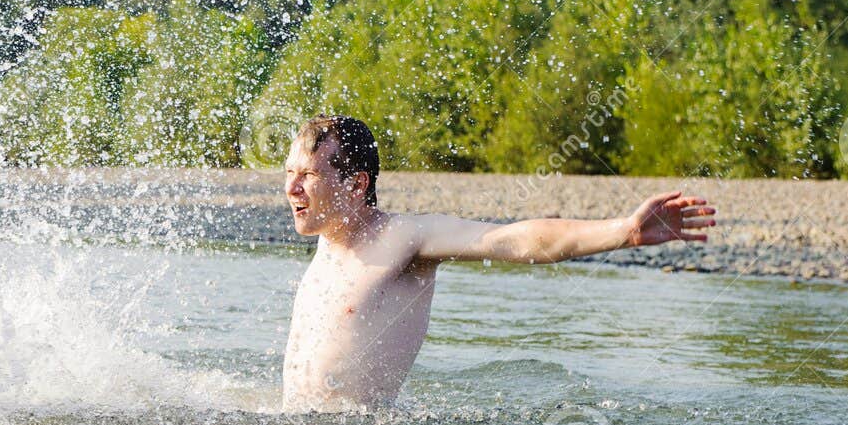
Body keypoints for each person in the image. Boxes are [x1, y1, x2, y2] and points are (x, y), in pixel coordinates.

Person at [282, 115, 716, 409]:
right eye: (289, 174)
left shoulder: (404, 238)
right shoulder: (327, 241)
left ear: (356, 184)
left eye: (309, 176)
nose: (293, 189)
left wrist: (624, 231)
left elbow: (512, 239)